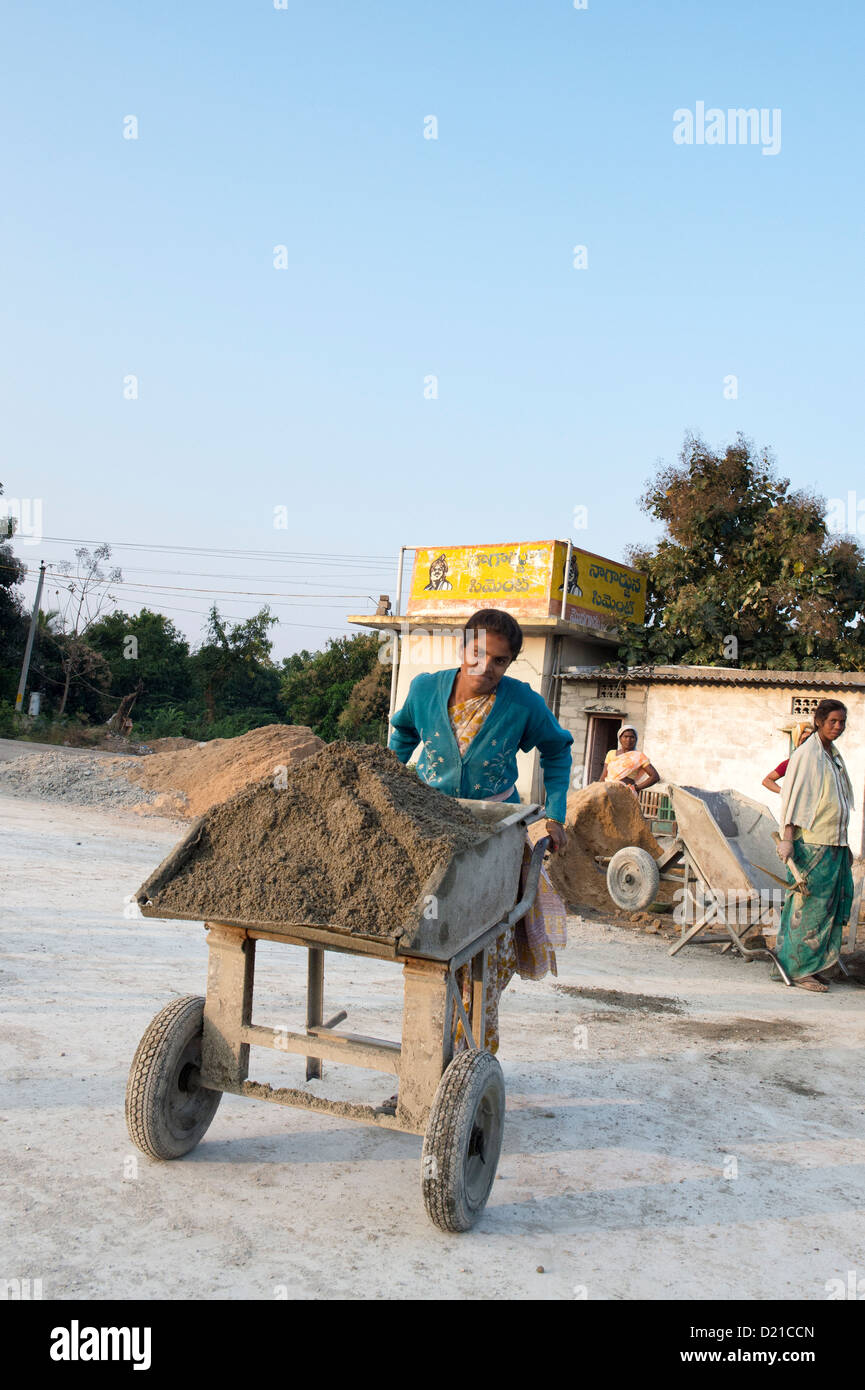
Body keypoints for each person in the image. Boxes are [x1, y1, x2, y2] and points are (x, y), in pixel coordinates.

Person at [388, 607, 572, 1053]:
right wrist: (388, 793)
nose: (484, 668)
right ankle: (429, 1057)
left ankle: (468, 1057)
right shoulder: (425, 689)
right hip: (430, 836)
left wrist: (556, 813)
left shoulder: (522, 702)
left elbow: (557, 751)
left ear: (509, 663)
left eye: (499, 661)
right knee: (429, 948)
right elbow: (400, 739)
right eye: (477, 654)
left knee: (484, 955)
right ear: (462, 647)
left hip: (495, 841)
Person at [773, 700, 854, 992]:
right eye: (832, 721)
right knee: (809, 909)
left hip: (834, 842)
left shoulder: (831, 754)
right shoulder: (807, 755)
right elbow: (794, 797)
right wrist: (787, 838)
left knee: (828, 910)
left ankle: (814, 965)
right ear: (819, 721)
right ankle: (797, 969)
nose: (838, 727)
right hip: (813, 843)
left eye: (842, 722)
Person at [600, 724, 659, 794]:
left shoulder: (639, 756)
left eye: (632, 737)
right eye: (625, 737)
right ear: (620, 738)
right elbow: (603, 776)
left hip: (626, 794)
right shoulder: (611, 753)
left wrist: (636, 788)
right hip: (608, 791)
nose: (628, 740)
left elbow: (655, 777)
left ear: (636, 739)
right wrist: (597, 789)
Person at [762, 723, 813, 794]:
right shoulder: (792, 762)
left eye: (810, 739)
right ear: (798, 744)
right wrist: (786, 793)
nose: (808, 743)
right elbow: (767, 781)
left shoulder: (823, 760)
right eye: (804, 740)